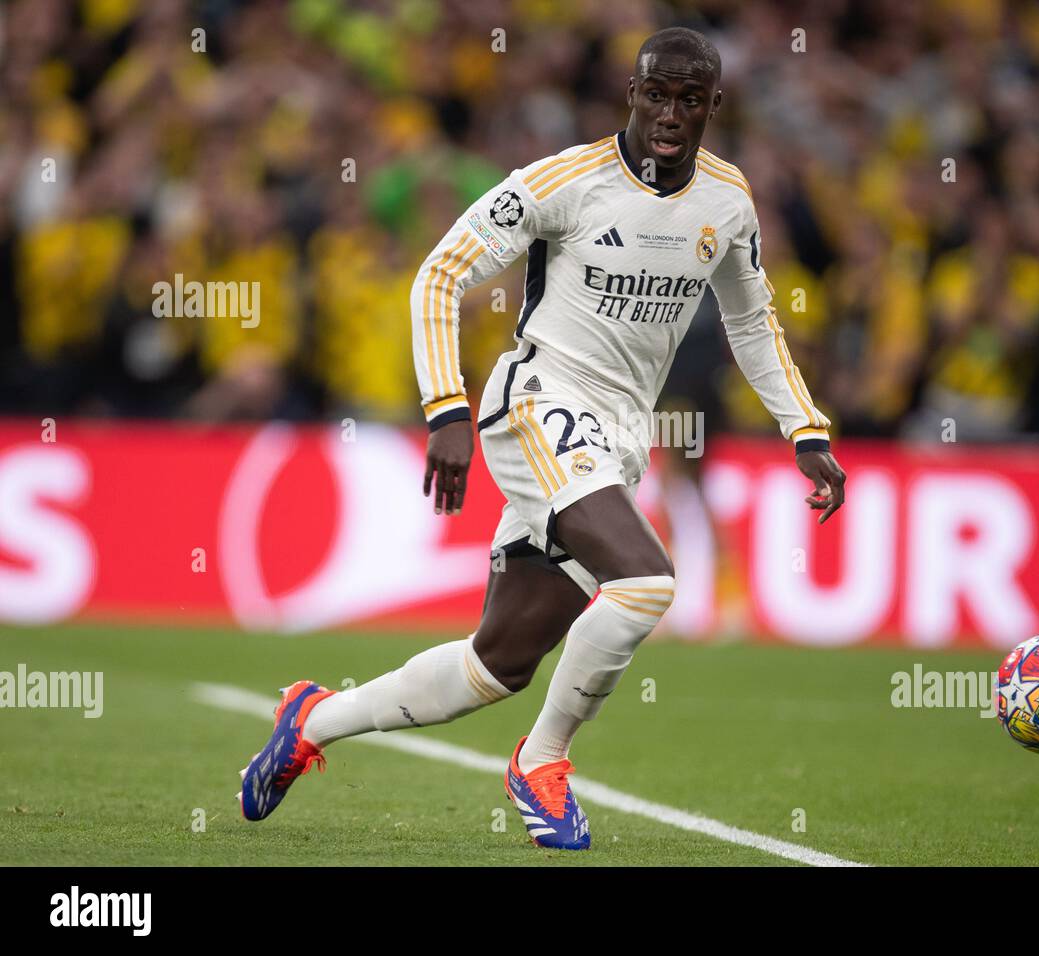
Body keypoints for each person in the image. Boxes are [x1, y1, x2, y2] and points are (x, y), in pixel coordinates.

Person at [237, 26, 845, 851]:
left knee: (496, 667)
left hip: (617, 440)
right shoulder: (565, 182)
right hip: (538, 403)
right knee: (647, 583)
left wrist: (804, 428)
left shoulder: (727, 202)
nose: (670, 113)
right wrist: (445, 410)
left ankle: (312, 720)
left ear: (713, 107)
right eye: (656, 94)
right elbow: (441, 272)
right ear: (631, 94)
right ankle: (542, 763)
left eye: (689, 99)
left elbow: (752, 318)